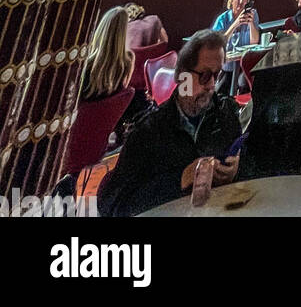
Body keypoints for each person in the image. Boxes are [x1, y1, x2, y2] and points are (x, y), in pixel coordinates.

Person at [97, 29, 245, 218]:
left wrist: (236, 171)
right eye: (205, 76)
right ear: (182, 76)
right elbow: (113, 205)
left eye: (217, 76)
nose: (211, 86)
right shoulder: (149, 132)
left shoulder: (226, 116)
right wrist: (181, 180)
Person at [212, 0, 260, 92]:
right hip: (227, 66)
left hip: (245, 65)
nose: (241, 1)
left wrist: (251, 24)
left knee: (244, 83)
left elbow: (254, 42)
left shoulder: (253, 15)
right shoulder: (223, 19)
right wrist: (235, 24)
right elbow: (218, 43)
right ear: (232, 0)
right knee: (220, 92)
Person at [81, 7, 134, 102]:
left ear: (101, 29)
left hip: (81, 113)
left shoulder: (84, 61)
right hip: (108, 115)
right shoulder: (127, 60)